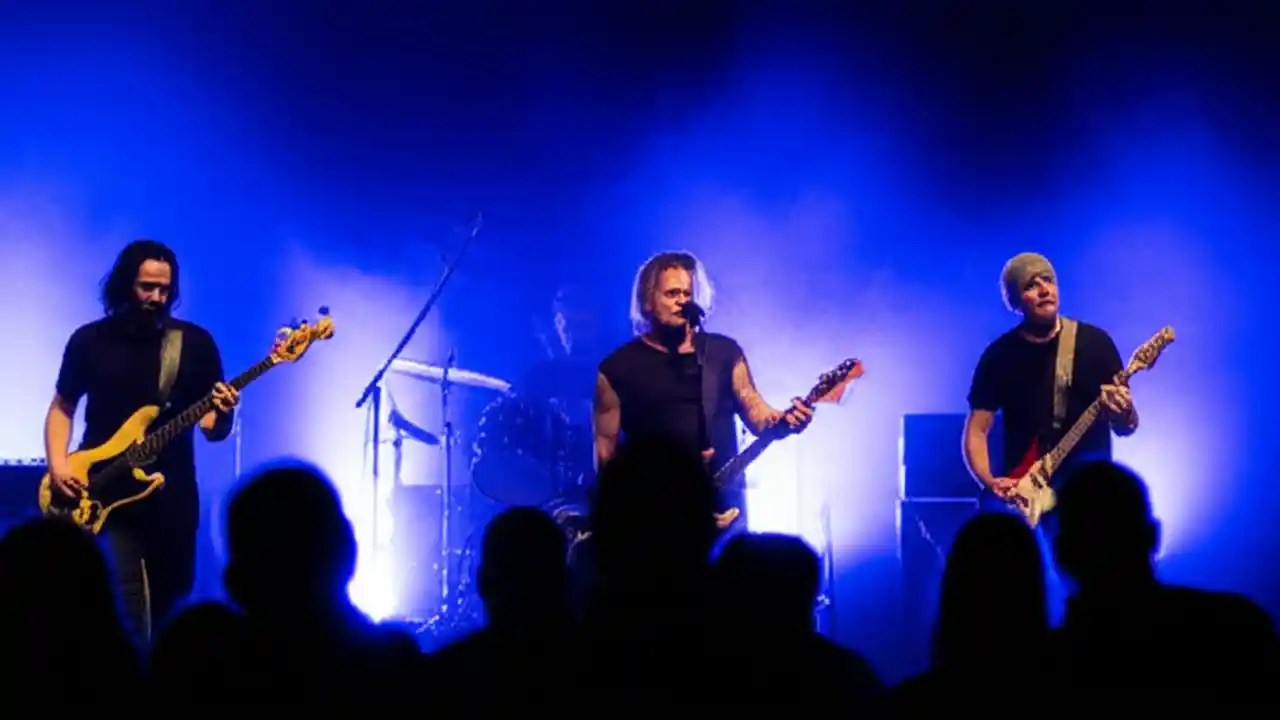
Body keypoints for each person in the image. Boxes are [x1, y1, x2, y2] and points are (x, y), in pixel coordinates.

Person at [43, 239, 240, 643]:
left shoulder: (194, 344)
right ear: (123, 285)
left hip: (173, 497)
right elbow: (62, 408)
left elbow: (212, 430)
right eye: (146, 287)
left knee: (172, 609)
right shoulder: (89, 341)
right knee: (123, 610)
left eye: (165, 290)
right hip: (102, 494)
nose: (156, 297)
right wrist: (59, 465)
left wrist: (224, 412)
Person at [591, 250, 815, 529]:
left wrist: (785, 420)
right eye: (672, 294)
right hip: (650, 513)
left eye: (687, 293)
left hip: (722, 504)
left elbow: (755, 411)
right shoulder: (618, 367)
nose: (682, 301)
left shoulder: (723, 353)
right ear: (648, 301)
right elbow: (605, 454)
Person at [962, 251, 1139, 515]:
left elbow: (1127, 427)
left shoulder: (1095, 343)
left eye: (1048, 280)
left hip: (1090, 495)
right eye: (1031, 285)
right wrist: (990, 482)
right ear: (1015, 301)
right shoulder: (999, 356)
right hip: (1029, 499)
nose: (1044, 289)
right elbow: (977, 430)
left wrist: (1123, 413)